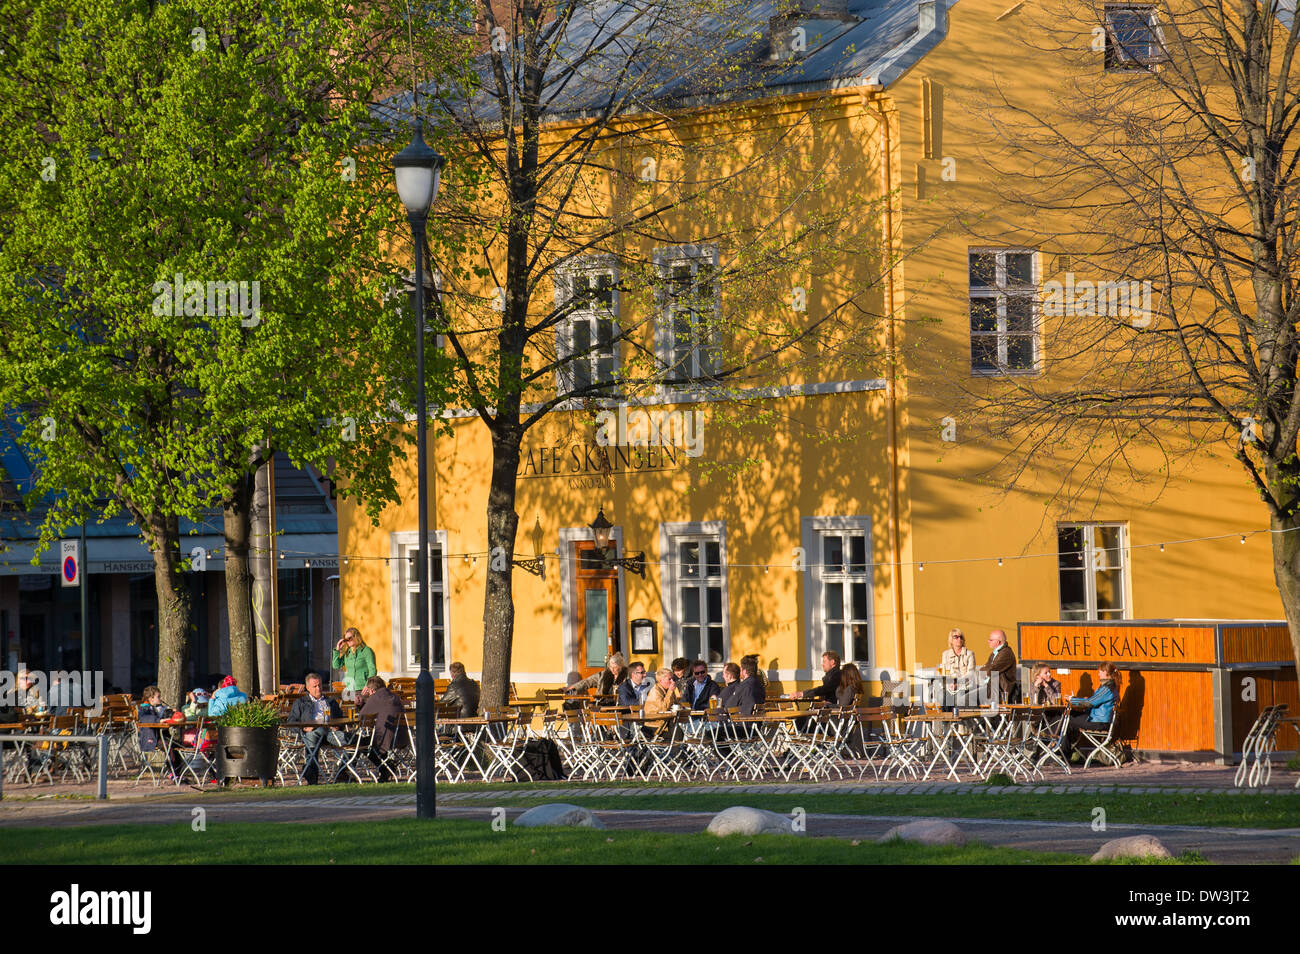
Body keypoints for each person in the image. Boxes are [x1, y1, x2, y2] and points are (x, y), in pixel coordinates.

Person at [288, 672, 344, 784]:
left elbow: (340, 718)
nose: (318, 688)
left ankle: (343, 772)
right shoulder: (301, 703)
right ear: (308, 688)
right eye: (315, 686)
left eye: (320, 685)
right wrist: (303, 729)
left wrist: (338, 726)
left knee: (352, 740)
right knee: (313, 735)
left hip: (330, 734)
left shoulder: (331, 702)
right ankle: (313, 776)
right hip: (311, 733)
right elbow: (291, 723)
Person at [1061, 663, 1121, 762]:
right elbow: (1093, 701)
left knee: (1067, 718)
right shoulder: (1111, 687)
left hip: (1098, 722)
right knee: (1071, 718)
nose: (1098, 674)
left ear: (1106, 673)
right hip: (1100, 720)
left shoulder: (1106, 689)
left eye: (1100, 672)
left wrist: (1072, 699)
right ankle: (1070, 752)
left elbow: (1090, 703)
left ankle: (1065, 754)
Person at [357, 676, 406, 781]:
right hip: (402, 738)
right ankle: (387, 768)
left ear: (371, 690)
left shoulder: (376, 697)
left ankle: (385, 768)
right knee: (367, 742)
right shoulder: (394, 696)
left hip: (385, 740)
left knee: (360, 743)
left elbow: (362, 718)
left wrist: (362, 699)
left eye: (369, 692)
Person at [332, 627, 377, 696]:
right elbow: (336, 665)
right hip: (349, 688)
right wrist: (337, 650)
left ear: (356, 637)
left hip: (363, 688)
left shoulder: (366, 651)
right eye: (345, 639)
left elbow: (372, 670)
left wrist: (368, 685)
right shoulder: (348, 653)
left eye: (349, 638)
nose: (347, 641)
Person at [939, 628, 978, 705]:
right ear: (951, 640)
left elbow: (971, 673)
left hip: (965, 686)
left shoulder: (969, 654)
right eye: (956, 637)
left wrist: (958, 683)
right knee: (940, 696)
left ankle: (957, 716)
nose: (959, 639)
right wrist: (950, 683)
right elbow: (944, 672)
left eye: (961, 637)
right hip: (950, 686)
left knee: (959, 696)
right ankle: (946, 716)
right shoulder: (945, 654)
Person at [978, 630, 1019, 704]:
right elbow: (983, 670)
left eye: (990, 640)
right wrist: (985, 669)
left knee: (967, 699)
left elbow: (990, 670)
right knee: (964, 697)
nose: (988, 641)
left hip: (1000, 691)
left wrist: (985, 668)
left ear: (998, 642)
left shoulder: (1006, 653)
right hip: (990, 688)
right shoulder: (994, 653)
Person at [136, 685, 174, 755]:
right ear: (151, 698)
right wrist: (159, 720)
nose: (160, 698)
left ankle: (175, 765)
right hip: (150, 739)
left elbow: (165, 716)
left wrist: (173, 713)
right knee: (169, 746)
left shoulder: (158, 708)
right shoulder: (145, 709)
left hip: (162, 736)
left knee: (176, 743)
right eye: (158, 697)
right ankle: (172, 765)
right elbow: (145, 718)